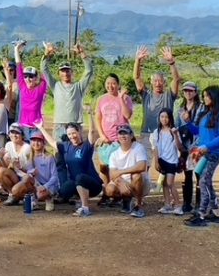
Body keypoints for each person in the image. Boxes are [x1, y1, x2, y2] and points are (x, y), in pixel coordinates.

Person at [184, 86, 219, 227]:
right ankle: (215, 212)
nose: (204, 99)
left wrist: (207, 147)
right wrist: (187, 122)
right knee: (206, 181)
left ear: (214, 97)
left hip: (212, 154)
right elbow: (199, 131)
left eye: (207, 96)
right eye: (204, 96)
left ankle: (201, 214)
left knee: (203, 181)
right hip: (203, 153)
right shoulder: (207, 114)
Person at [33, 122, 102, 217]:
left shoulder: (86, 146)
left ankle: (85, 208)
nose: (72, 136)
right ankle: (79, 199)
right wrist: (41, 128)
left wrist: (90, 115)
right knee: (64, 190)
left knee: (80, 178)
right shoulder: (66, 146)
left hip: (93, 185)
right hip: (76, 182)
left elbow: (92, 131)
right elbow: (52, 142)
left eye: (74, 133)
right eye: (69, 134)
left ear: (79, 132)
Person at [93, 73, 133, 205]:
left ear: (118, 84)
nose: (110, 86)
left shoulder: (125, 98)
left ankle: (120, 194)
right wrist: (101, 135)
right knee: (104, 168)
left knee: (117, 169)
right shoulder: (101, 99)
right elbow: (98, 118)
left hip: (120, 140)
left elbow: (127, 115)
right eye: (108, 83)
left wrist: (121, 98)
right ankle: (108, 192)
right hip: (106, 139)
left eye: (113, 83)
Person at [41, 42, 95, 138]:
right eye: (63, 71)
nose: (65, 73)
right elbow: (44, 69)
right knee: (59, 151)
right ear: (59, 74)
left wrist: (82, 53)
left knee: (76, 151)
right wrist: (47, 53)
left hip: (76, 125)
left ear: (72, 72)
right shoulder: (55, 85)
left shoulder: (79, 86)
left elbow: (89, 71)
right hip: (59, 126)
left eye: (67, 70)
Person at [134, 45, 181, 142]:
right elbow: (136, 77)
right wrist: (137, 61)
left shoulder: (169, 95)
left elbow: (176, 80)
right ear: (151, 82)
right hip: (147, 134)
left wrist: (171, 62)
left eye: (160, 81)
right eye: (155, 81)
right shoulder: (146, 94)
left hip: (166, 134)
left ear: (164, 83)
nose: (157, 83)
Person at [104, 125, 150, 218]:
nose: (123, 136)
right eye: (120, 134)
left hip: (140, 183)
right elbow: (112, 174)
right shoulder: (114, 154)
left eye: (125, 133)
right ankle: (126, 200)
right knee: (109, 190)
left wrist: (121, 172)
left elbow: (142, 166)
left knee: (136, 175)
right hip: (123, 181)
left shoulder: (138, 147)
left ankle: (138, 206)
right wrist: (120, 182)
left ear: (131, 136)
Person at [10, 129, 60, 211]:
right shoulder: (29, 156)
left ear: (43, 143)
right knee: (16, 189)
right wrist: (20, 168)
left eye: (39, 141)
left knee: (41, 195)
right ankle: (34, 200)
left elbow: (55, 176)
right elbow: (28, 173)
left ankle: (49, 198)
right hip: (36, 185)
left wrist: (45, 186)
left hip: (49, 185)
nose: (36, 143)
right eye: (34, 140)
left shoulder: (49, 157)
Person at [175, 80, 204, 214]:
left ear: (195, 92)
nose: (188, 93)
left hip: (198, 145)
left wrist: (189, 121)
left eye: (190, 90)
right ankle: (187, 202)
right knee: (187, 175)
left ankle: (199, 203)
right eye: (186, 90)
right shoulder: (180, 108)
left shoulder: (201, 108)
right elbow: (177, 125)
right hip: (185, 145)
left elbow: (201, 128)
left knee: (198, 174)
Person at [150, 109, 183, 214]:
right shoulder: (157, 132)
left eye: (166, 117)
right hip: (162, 160)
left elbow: (179, 147)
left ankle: (178, 205)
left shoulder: (173, 131)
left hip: (172, 161)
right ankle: (167, 204)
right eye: (162, 117)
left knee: (170, 183)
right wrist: (156, 161)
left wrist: (176, 135)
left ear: (170, 118)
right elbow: (154, 147)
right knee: (164, 183)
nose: (164, 119)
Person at [14, 42, 48, 136]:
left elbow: (45, 71)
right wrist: (16, 49)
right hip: (23, 127)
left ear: (36, 78)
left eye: (31, 76)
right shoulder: (22, 86)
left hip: (36, 127)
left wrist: (46, 54)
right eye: (25, 76)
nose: (27, 79)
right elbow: (18, 65)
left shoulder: (40, 89)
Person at [0, 124, 33, 204]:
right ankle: (12, 195)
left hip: (25, 176)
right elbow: (7, 167)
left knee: (20, 185)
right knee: (1, 171)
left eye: (17, 133)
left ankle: (22, 195)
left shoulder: (27, 148)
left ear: (22, 135)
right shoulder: (8, 145)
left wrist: (19, 166)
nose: (14, 135)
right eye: (12, 132)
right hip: (15, 174)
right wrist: (2, 158)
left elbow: (30, 170)